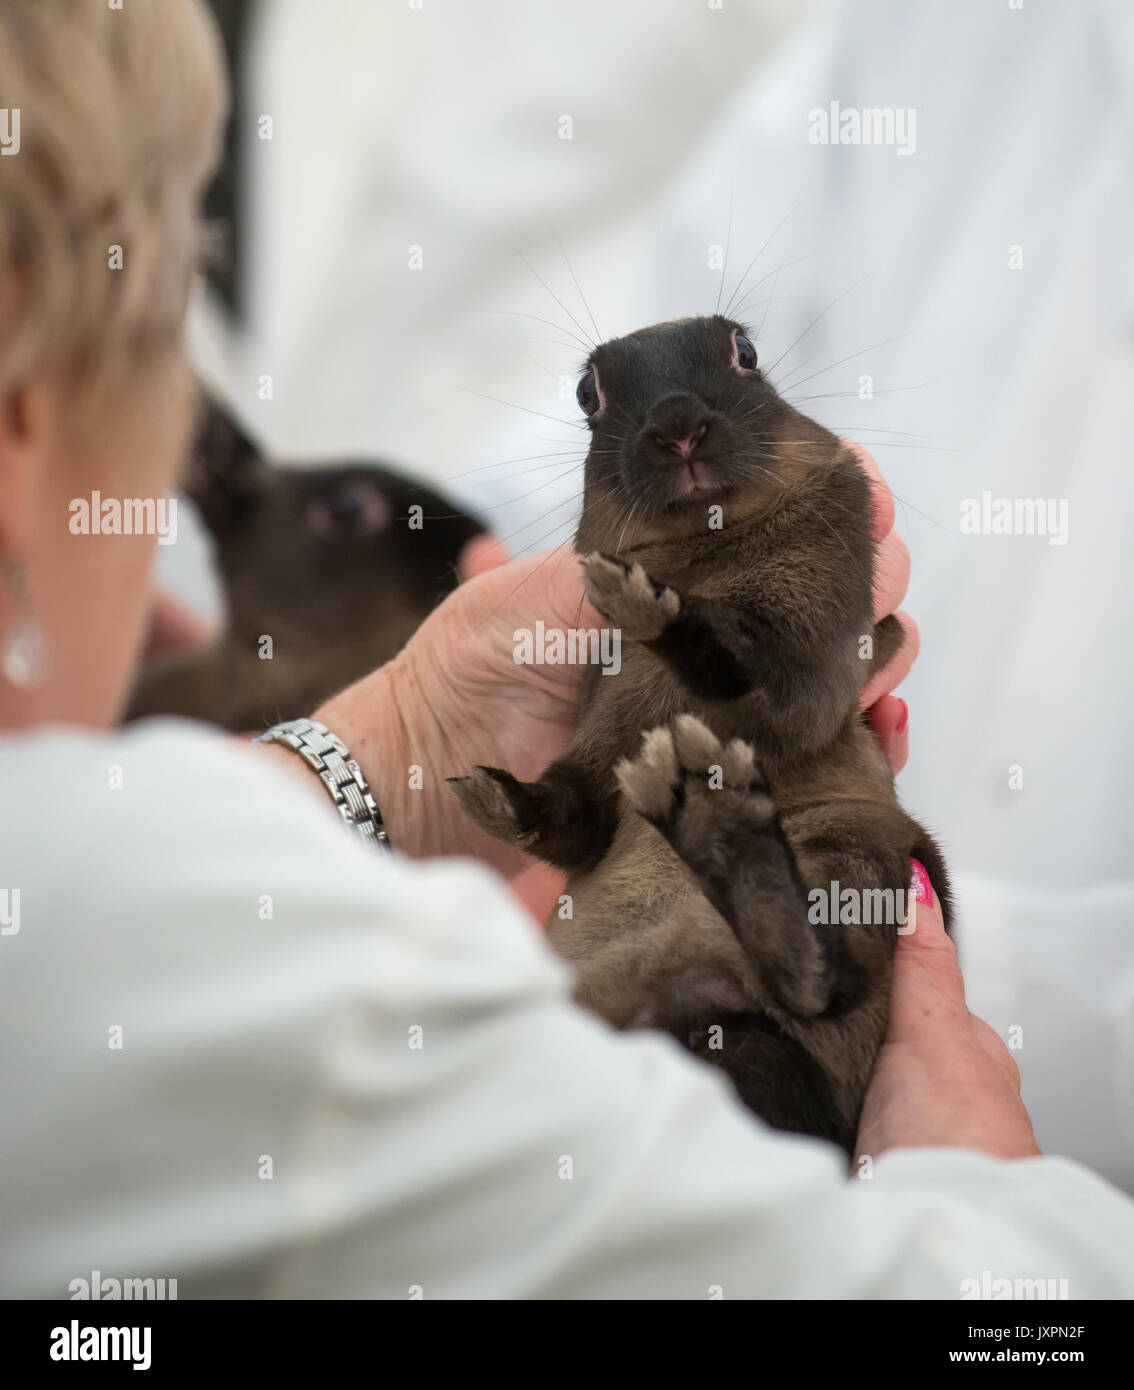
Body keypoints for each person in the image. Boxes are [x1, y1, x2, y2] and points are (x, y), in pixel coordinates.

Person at [1, 0, 1132, 1300]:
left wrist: (394, 744)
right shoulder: (309, 1013)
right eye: (157, 343)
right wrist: (980, 1170)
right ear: (24, 423)